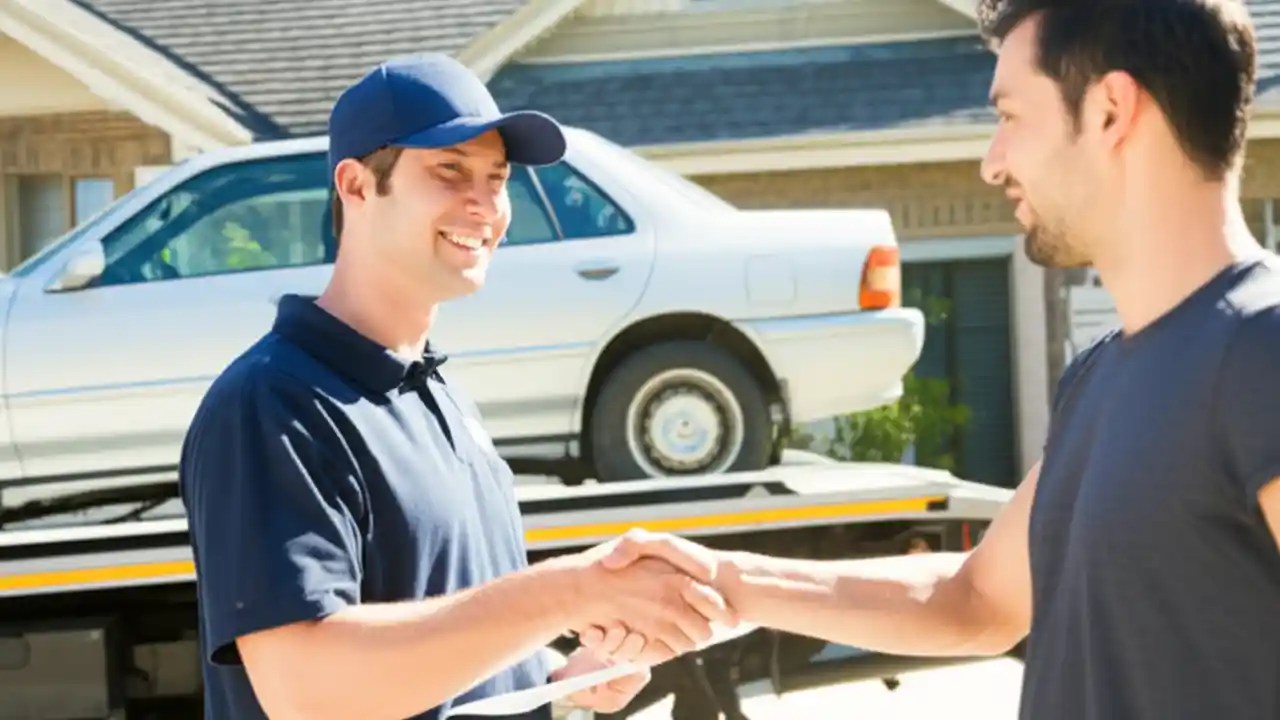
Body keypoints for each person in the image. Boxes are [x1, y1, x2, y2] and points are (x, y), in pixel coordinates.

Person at [584, 2, 1280, 718]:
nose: (992, 162)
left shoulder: (1261, 349)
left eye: (1010, 117)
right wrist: (722, 584)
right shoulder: (1102, 375)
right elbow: (975, 600)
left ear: (1110, 111)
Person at [178, 53, 734, 720]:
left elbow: (444, 634)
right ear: (356, 186)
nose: (486, 205)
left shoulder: (436, 393)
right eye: (450, 170)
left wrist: (557, 674)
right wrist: (568, 592)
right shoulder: (273, 404)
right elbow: (308, 692)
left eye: (498, 179)